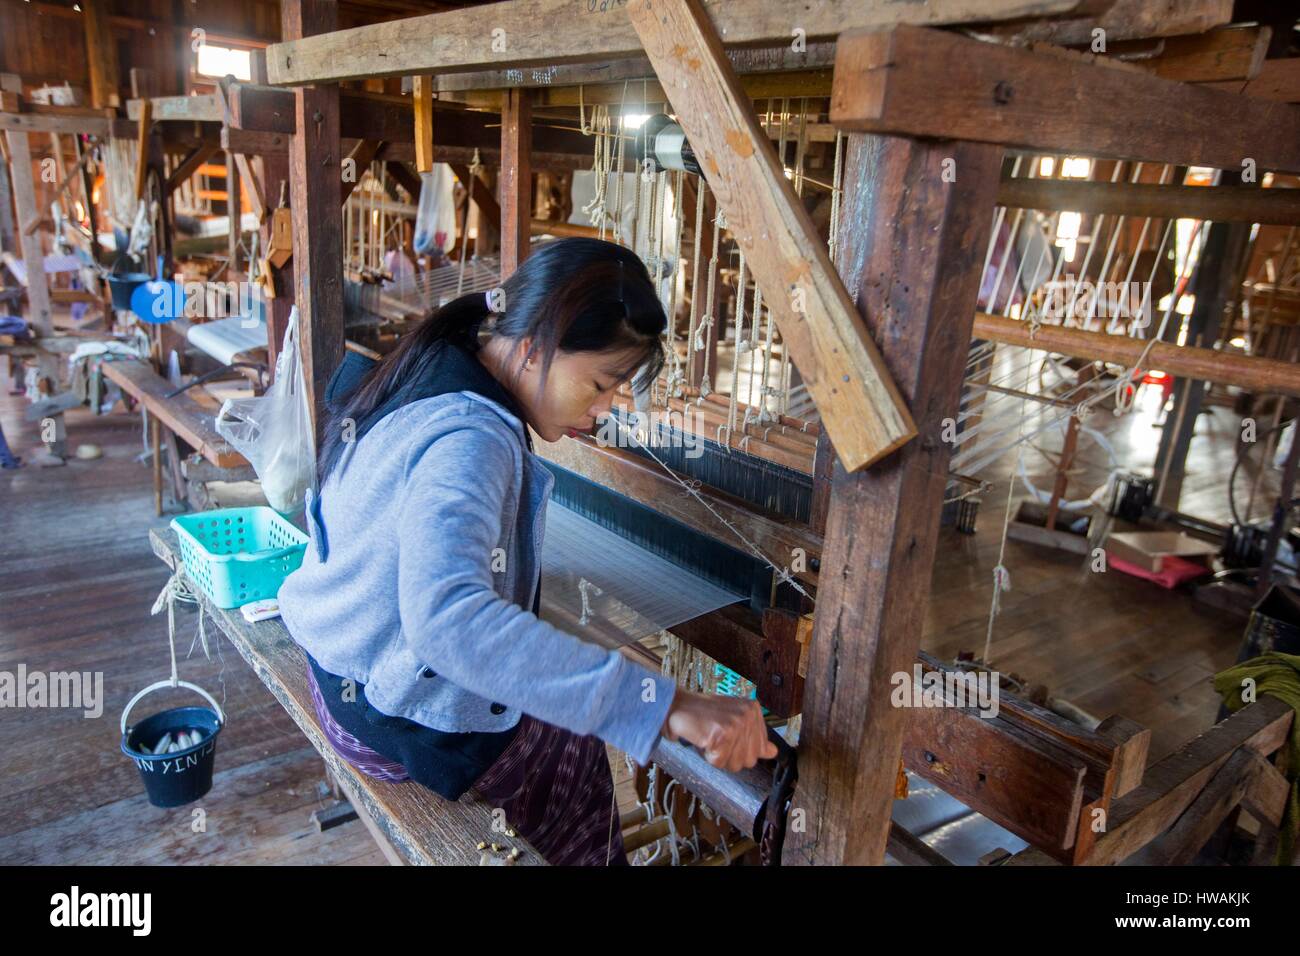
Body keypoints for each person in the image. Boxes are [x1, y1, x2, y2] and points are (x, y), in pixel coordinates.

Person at [278, 237, 774, 865]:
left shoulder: (435, 362)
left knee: (566, 710)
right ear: (535, 345)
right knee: (574, 747)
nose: (602, 413)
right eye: (599, 384)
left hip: (336, 670)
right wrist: (669, 704)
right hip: (387, 723)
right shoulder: (472, 437)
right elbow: (449, 623)